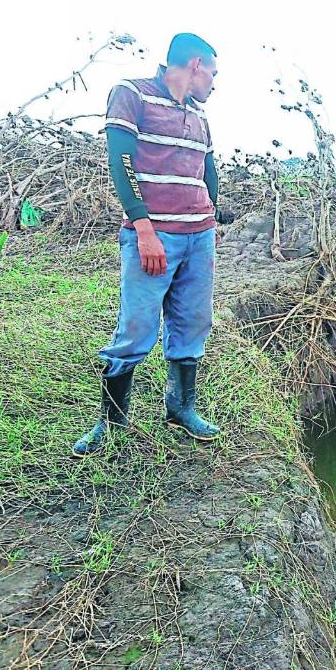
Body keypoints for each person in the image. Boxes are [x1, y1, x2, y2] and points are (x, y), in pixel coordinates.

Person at [73, 32, 224, 456]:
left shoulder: (200, 116)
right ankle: (112, 424)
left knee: (193, 322)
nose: (214, 81)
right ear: (195, 65)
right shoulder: (132, 94)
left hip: (199, 236)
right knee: (137, 326)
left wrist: (210, 216)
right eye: (212, 71)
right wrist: (143, 228)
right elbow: (120, 165)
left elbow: (207, 171)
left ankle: (180, 410)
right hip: (152, 237)